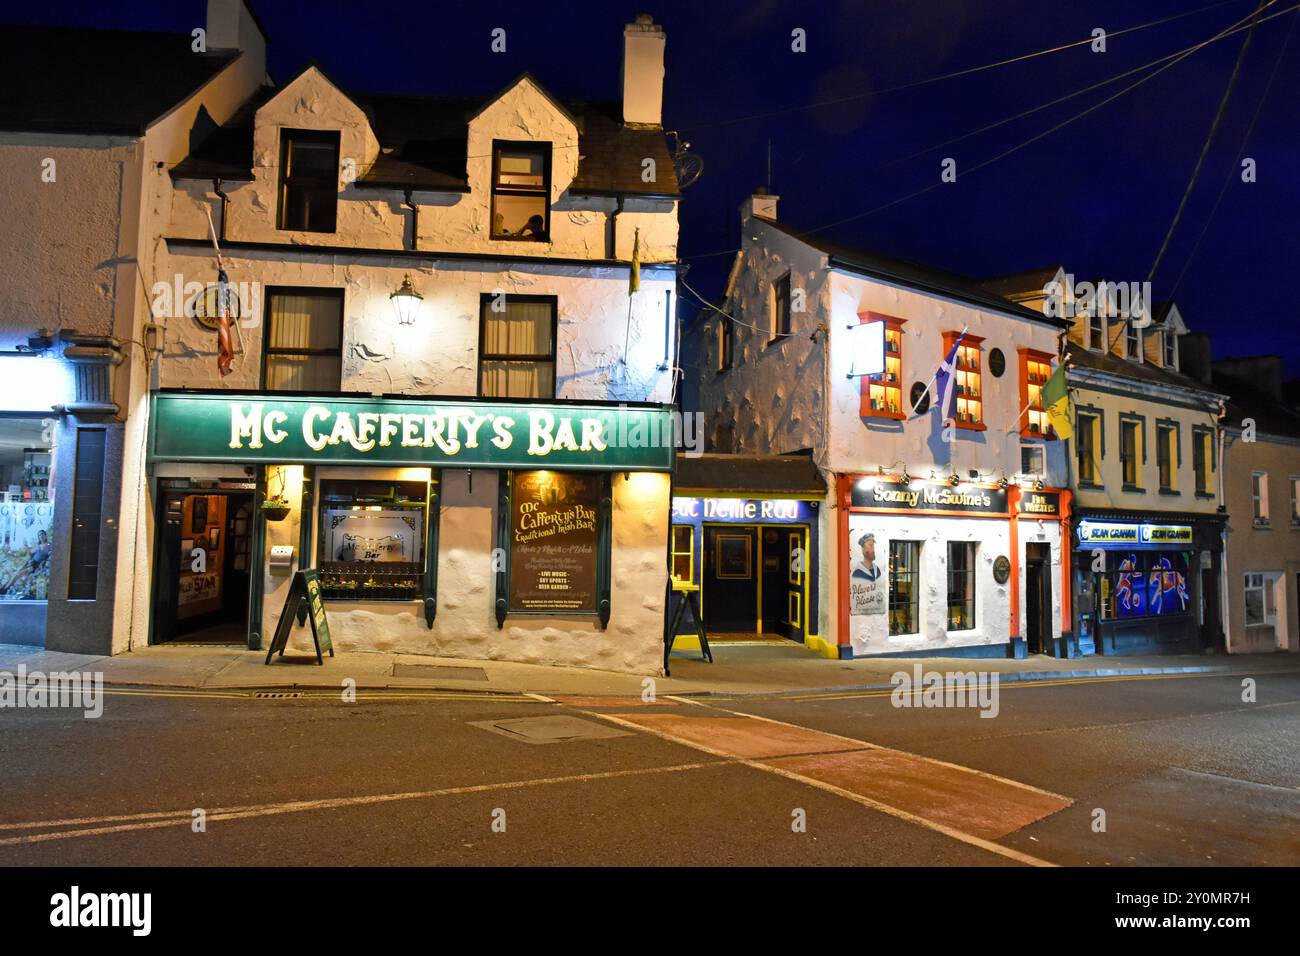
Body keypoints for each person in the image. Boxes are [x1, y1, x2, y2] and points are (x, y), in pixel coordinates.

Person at [3, 529, 50, 597]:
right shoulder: (38, 546)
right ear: (38, 537)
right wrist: (27, 550)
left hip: (35, 566)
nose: (41, 536)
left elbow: (49, 556)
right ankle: (4, 588)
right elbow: (30, 553)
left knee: (18, 574)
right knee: (16, 573)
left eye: (42, 534)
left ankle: (4, 590)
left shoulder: (49, 545)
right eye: (39, 535)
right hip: (30, 562)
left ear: (45, 535)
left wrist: (43, 562)